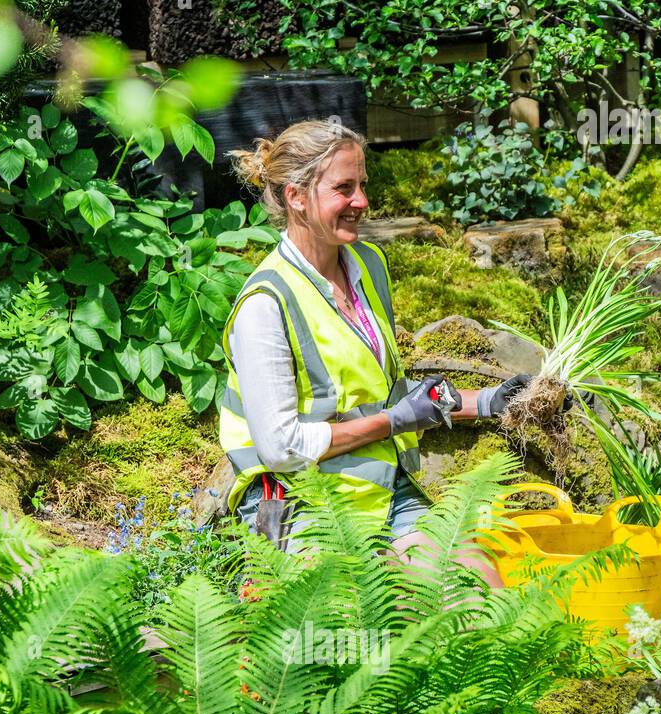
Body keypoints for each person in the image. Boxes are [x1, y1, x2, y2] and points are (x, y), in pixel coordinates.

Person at [220, 119, 533, 572]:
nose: (362, 202)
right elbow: (281, 448)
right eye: (344, 188)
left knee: (475, 583)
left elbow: (387, 395)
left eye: (362, 184)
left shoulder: (368, 265)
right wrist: (392, 423)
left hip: (382, 488)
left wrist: (487, 401)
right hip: (302, 504)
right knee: (377, 614)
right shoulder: (264, 305)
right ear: (296, 197)